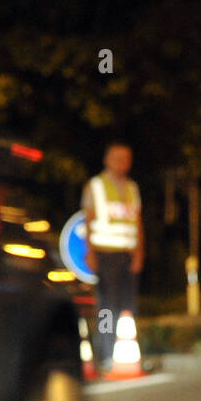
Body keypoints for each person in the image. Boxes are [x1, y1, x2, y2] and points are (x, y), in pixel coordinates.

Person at [82, 143, 144, 372]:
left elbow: (137, 223)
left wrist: (139, 254)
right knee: (107, 307)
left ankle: (126, 354)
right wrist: (90, 252)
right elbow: (87, 220)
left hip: (127, 257)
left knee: (127, 307)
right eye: (117, 158)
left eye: (126, 158)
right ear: (107, 160)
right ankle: (105, 354)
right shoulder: (96, 186)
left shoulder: (131, 187)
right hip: (105, 256)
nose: (122, 163)